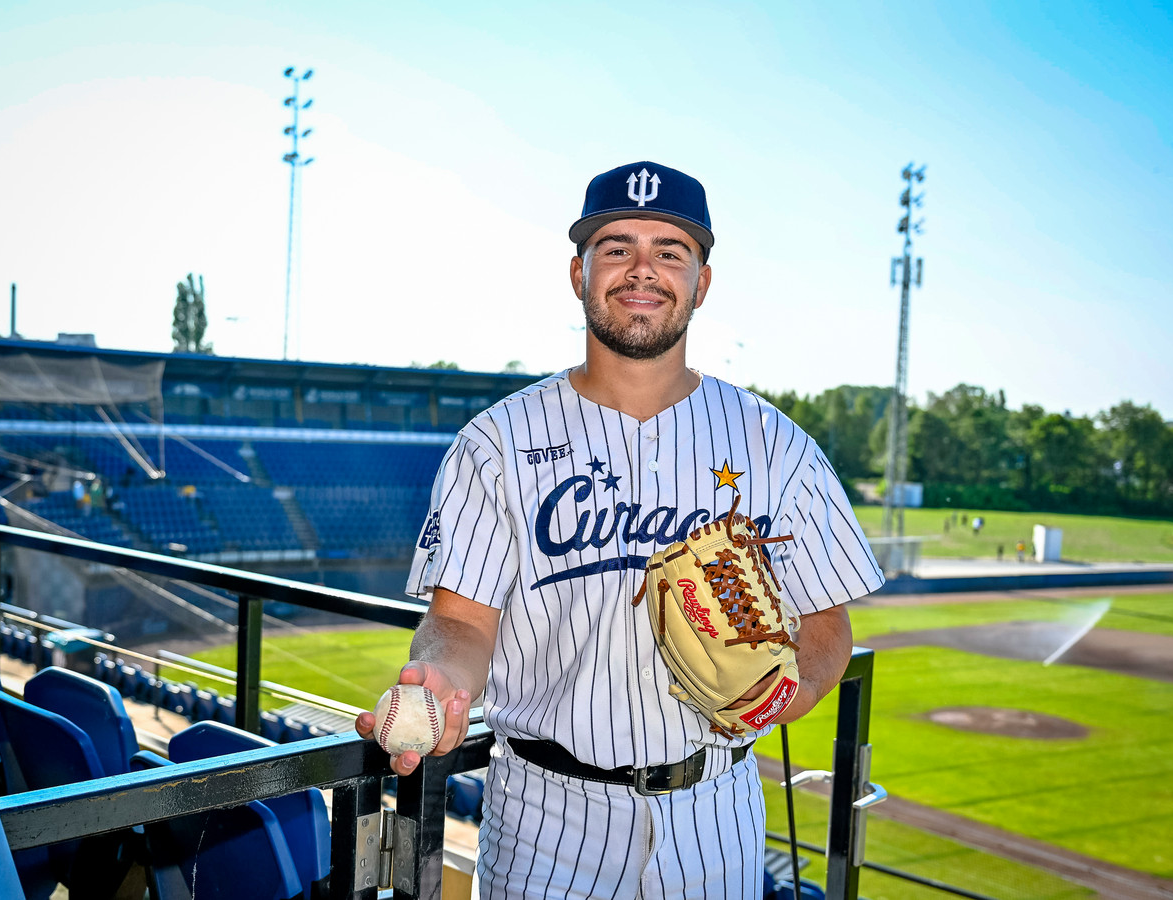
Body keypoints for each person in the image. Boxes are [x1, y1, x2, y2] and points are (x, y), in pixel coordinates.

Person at [354, 161, 885, 899]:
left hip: (716, 816)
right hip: (545, 822)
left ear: (701, 283)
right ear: (578, 273)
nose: (643, 270)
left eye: (670, 251)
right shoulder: (496, 442)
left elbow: (826, 624)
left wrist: (778, 699)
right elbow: (460, 622)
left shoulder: (774, 444)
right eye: (616, 248)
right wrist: (442, 679)